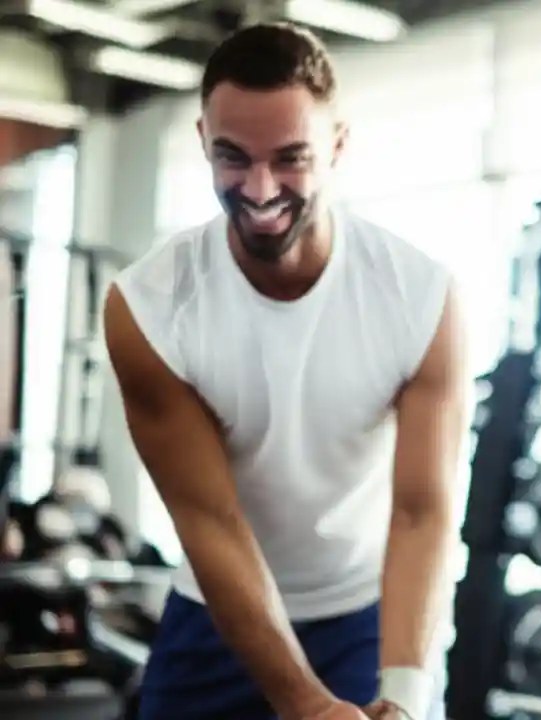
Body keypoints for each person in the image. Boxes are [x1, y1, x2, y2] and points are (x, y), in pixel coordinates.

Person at [103, 23, 467, 720]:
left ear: (337, 146)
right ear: (203, 136)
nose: (261, 190)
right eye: (232, 158)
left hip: (367, 616)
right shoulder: (147, 306)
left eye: (291, 159)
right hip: (217, 609)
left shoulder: (420, 295)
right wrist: (301, 701)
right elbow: (210, 520)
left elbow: (422, 511)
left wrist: (405, 693)